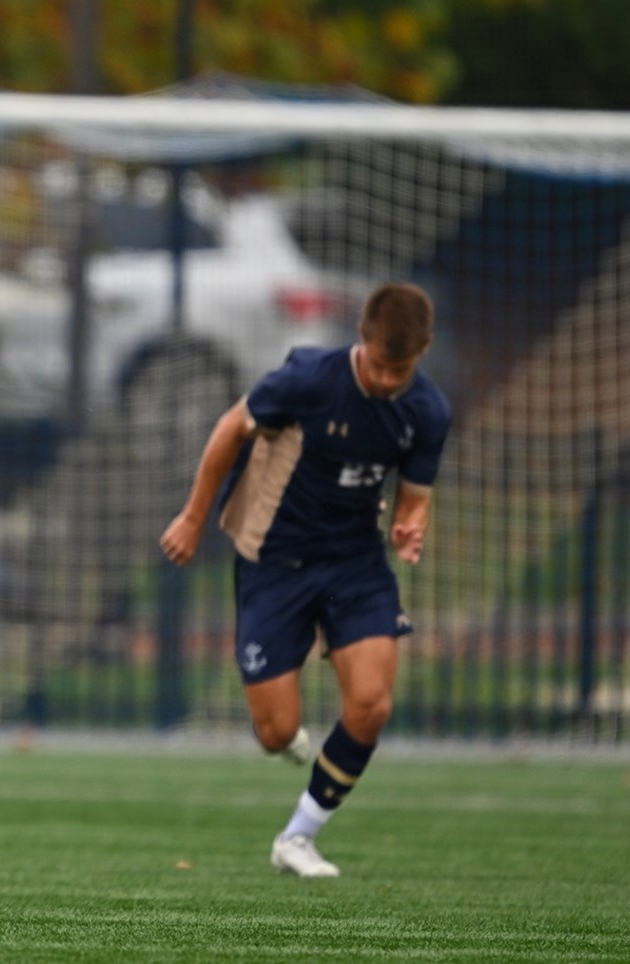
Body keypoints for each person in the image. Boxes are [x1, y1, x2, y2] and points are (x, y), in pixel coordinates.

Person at [159, 282, 451, 879]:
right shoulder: (308, 380)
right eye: (379, 364)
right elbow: (228, 430)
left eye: (403, 368)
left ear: (422, 352)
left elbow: (414, 502)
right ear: (361, 340)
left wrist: (409, 529)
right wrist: (193, 517)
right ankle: (287, 738)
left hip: (355, 563)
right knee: (276, 732)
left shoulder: (427, 411)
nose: (390, 379)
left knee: (370, 705)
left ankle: (298, 835)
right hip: (274, 559)